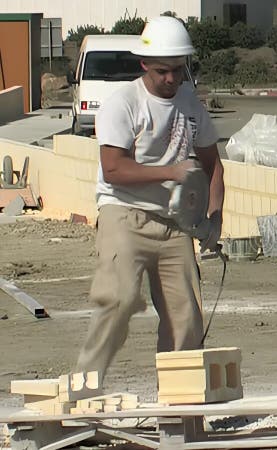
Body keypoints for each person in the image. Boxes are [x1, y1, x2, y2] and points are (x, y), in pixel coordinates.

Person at [75, 16, 225, 385]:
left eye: (178, 70)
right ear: (145, 64)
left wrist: (214, 216)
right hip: (124, 213)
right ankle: (82, 395)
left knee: (186, 315)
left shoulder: (191, 106)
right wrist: (171, 172)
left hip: (175, 225)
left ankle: (177, 407)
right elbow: (113, 169)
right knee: (120, 300)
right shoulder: (123, 104)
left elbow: (213, 166)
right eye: (162, 71)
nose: (171, 79)